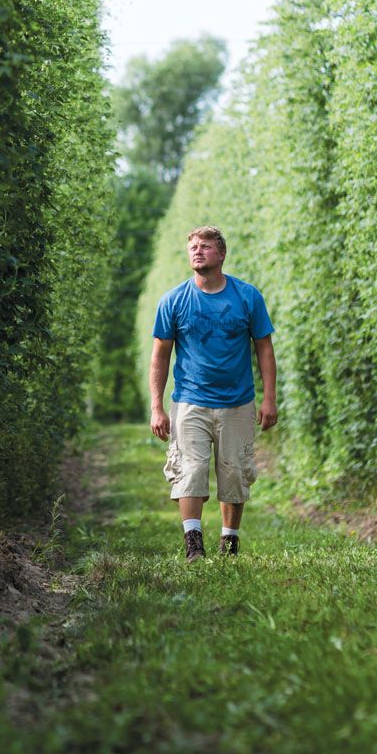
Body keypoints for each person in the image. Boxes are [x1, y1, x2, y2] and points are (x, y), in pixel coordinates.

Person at [149, 226, 277, 562]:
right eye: (192, 246)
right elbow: (160, 355)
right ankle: (194, 544)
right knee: (190, 469)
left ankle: (229, 542)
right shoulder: (173, 300)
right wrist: (156, 406)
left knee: (234, 472)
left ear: (221, 254)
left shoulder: (248, 297)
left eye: (205, 246)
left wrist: (269, 398)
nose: (197, 251)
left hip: (238, 402)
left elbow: (264, 347)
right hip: (189, 402)